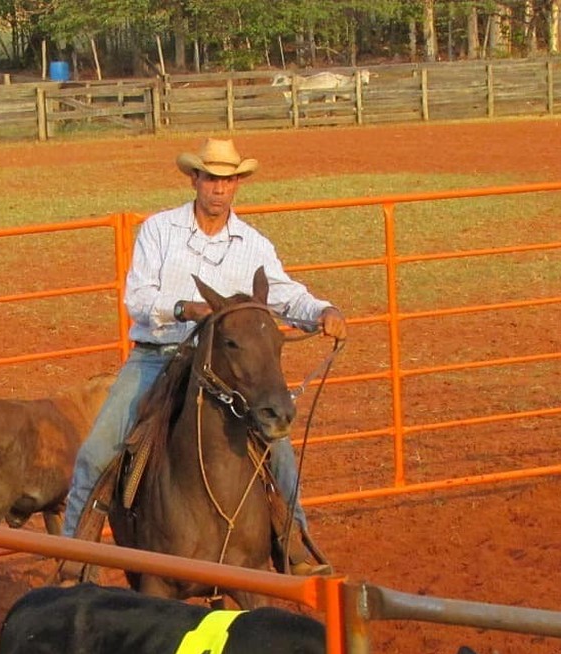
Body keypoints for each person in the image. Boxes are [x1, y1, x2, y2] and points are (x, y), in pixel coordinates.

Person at [61, 136, 347, 576]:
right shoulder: (159, 230)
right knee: (98, 451)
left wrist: (321, 311)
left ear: (237, 184)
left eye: (228, 180)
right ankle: (74, 560)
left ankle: (293, 545)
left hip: (224, 369)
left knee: (279, 447)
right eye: (212, 178)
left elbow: (285, 295)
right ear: (195, 178)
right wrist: (182, 309)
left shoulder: (253, 244)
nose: (219, 188)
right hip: (159, 356)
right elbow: (137, 297)